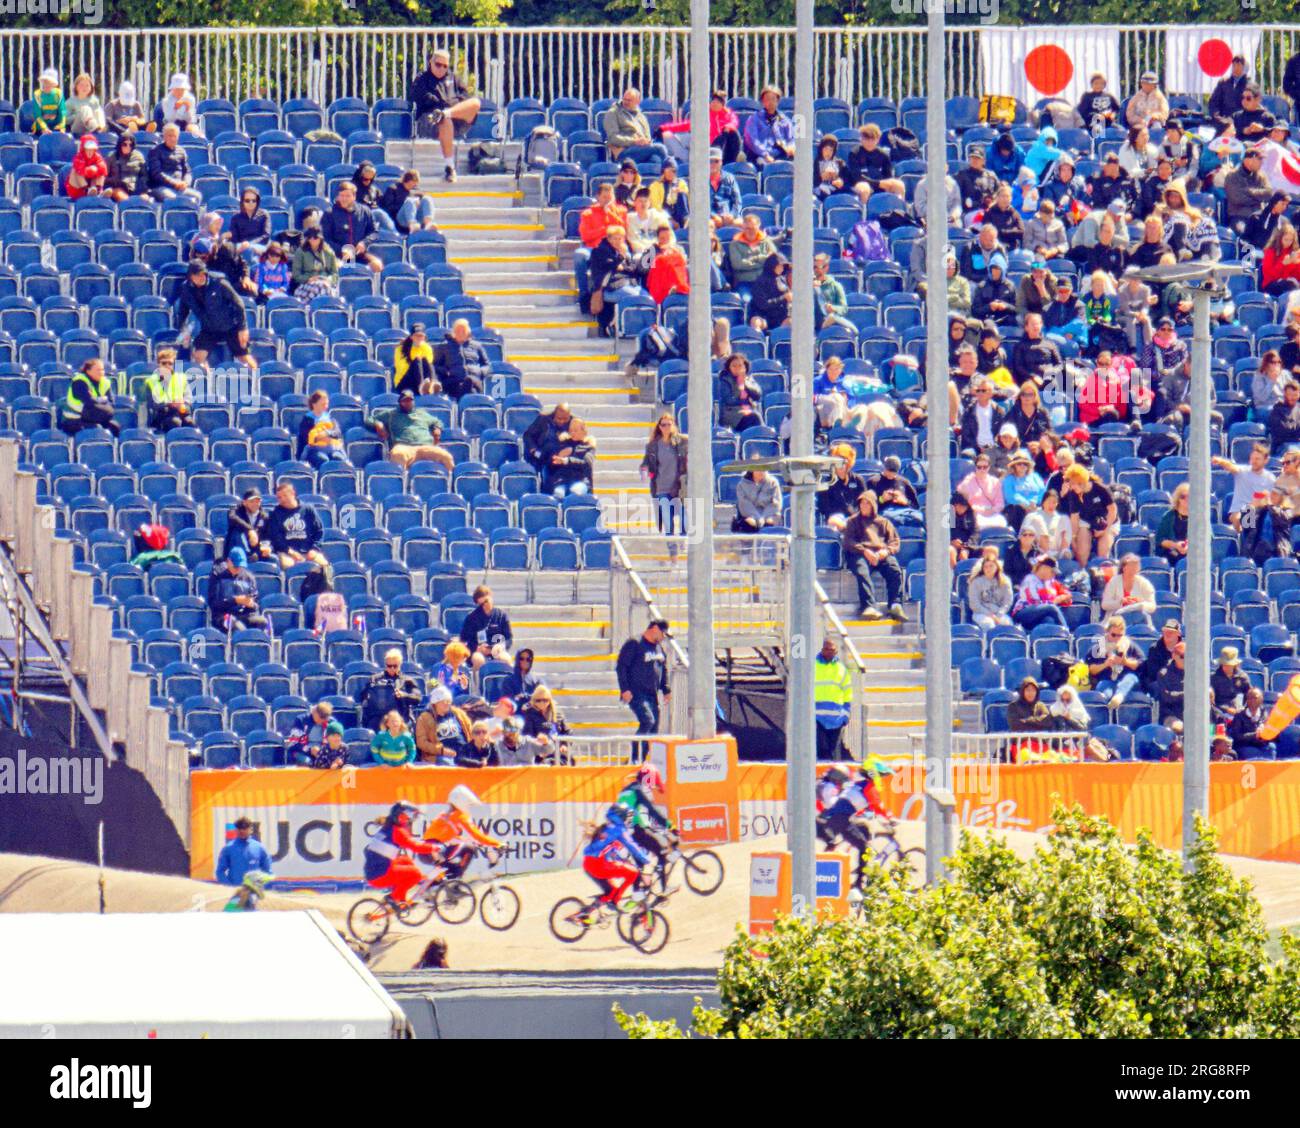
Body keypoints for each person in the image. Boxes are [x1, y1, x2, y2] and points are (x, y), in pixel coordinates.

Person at [815, 760, 893, 883]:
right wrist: (889, 818)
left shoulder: (857, 784)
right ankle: (858, 883)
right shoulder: (869, 787)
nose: (881, 779)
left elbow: (859, 806)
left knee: (863, 830)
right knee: (864, 848)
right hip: (840, 819)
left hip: (834, 817)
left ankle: (831, 868)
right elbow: (877, 806)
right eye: (881, 776)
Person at [409, 49, 480, 182]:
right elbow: (418, 97)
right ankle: (450, 167)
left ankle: (446, 113)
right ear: (431, 62)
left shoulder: (454, 78)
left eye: (445, 66)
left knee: (475, 103)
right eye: (438, 64)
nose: (441, 68)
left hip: (454, 117)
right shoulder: (422, 78)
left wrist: (450, 108)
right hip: (430, 121)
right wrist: (441, 104)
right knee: (444, 119)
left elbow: (465, 96)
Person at [175, 259, 254, 371]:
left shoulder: (219, 283)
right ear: (191, 276)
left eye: (203, 274)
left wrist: (243, 328)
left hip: (230, 326)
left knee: (245, 358)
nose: (202, 277)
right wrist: (183, 330)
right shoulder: (186, 289)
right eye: (198, 275)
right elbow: (183, 311)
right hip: (209, 329)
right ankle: (208, 382)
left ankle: (257, 381)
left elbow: (238, 303)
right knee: (198, 357)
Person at [581, 805, 654, 917]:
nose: (628, 819)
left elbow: (609, 850)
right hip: (599, 865)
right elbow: (632, 846)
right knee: (633, 873)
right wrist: (646, 860)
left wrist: (621, 861)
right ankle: (615, 901)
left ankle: (584, 915)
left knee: (612, 890)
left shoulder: (605, 827)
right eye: (627, 816)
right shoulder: (619, 829)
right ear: (621, 816)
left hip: (588, 864)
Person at [843, 491, 904, 621]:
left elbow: (894, 541)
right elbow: (849, 541)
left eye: (867, 503)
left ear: (873, 505)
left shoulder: (884, 522)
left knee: (894, 570)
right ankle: (868, 606)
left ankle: (895, 604)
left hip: (881, 553)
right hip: (861, 553)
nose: (864, 506)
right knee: (862, 571)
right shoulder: (852, 521)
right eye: (862, 503)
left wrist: (885, 552)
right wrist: (864, 551)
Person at [363, 802, 436, 907]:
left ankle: (401, 898)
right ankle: (393, 897)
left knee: (406, 860)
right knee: (416, 875)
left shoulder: (387, 827)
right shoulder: (398, 831)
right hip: (379, 876)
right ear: (400, 816)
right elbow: (416, 847)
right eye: (408, 815)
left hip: (373, 871)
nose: (409, 819)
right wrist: (434, 847)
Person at [365, 388, 453, 471]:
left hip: (425, 446)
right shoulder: (391, 414)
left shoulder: (422, 413)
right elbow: (369, 419)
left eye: (410, 400)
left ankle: (450, 485)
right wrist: (378, 424)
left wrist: (437, 428)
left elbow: (437, 421)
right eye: (405, 401)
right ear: (400, 402)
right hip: (404, 447)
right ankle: (399, 484)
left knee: (446, 456)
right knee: (398, 454)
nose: (408, 403)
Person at [616, 619, 672, 748]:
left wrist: (666, 689)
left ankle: (644, 760)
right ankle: (636, 756)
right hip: (636, 693)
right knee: (648, 721)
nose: (664, 637)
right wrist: (624, 689)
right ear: (655, 628)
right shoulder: (634, 643)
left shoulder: (658, 648)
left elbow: (663, 668)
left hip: (652, 694)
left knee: (653, 730)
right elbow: (621, 667)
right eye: (663, 633)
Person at [423, 786, 504, 876]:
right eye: (469, 804)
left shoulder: (445, 814)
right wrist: (498, 844)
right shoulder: (459, 816)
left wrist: (466, 839)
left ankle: (444, 882)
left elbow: (445, 837)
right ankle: (455, 878)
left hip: (426, 851)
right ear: (462, 802)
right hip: (436, 850)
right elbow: (477, 835)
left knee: (447, 873)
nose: (469, 808)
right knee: (469, 848)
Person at [660, 89, 741, 165]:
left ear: (723, 105)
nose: (715, 103)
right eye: (713, 101)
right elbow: (687, 125)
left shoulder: (728, 114)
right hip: (700, 141)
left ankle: (690, 161)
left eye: (718, 102)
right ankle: (687, 160)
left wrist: (727, 128)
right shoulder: (705, 113)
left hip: (716, 147)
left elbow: (734, 122)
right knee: (667, 136)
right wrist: (664, 128)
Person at [641, 412, 688, 536]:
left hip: (680, 488)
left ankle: (685, 548)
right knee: (668, 525)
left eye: (669, 424)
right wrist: (644, 471)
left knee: (684, 524)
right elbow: (646, 463)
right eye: (663, 425)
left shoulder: (681, 442)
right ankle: (673, 554)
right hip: (662, 489)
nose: (666, 427)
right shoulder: (653, 446)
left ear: (673, 425)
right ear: (659, 427)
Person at [321, 181, 382, 274]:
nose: (344, 199)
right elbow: (325, 238)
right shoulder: (329, 213)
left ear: (354, 197)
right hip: (338, 254)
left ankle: (365, 283)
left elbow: (374, 232)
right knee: (349, 265)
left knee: (377, 265)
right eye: (342, 195)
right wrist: (341, 250)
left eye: (347, 196)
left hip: (359, 254)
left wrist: (364, 243)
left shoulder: (365, 211)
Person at [1062, 463, 1117, 564]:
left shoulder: (1101, 489)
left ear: (1081, 481)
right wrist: (1073, 537)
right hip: (1086, 521)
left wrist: (1104, 530)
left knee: (1103, 553)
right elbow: (1074, 518)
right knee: (1081, 552)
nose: (1072, 487)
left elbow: (1112, 511)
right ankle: (1083, 573)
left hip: (1107, 521)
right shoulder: (1073, 494)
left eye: (1073, 483)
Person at [1213, 442, 1276, 530]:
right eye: (1252, 458)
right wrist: (1220, 461)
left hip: (1260, 513)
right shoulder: (1243, 471)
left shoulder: (1270, 478)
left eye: (1257, 459)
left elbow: (1271, 500)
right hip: (1240, 511)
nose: (1253, 461)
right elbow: (1231, 467)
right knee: (1247, 514)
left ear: (1265, 460)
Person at [265, 480, 326, 569]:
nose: (282, 499)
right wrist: (291, 552)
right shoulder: (276, 514)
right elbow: (276, 539)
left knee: (324, 565)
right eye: (279, 497)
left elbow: (319, 531)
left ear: (293, 493)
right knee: (288, 566)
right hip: (287, 552)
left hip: (308, 551)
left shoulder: (308, 509)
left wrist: (314, 549)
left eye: (285, 496)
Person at [1086, 616, 1143, 709]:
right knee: (1103, 691)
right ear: (1107, 632)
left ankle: (1119, 696)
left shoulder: (1129, 645)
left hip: (1127, 682)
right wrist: (1105, 664)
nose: (1117, 638)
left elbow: (1141, 664)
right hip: (1107, 681)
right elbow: (1091, 669)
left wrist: (1125, 662)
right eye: (1113, 635)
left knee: (1131, 678)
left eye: (1120, 635)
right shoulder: (1099, 647)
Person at [360, 649, 424, 730]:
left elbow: (418, 698)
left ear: (400, 665)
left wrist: (404, 695)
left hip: (400, 719)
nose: (392, 669)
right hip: (378, 721)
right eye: (389, 666)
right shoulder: (374, 679)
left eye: (395, 666)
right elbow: (363, 697)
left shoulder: (407, 680)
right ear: (385, 665)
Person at [812, 637, 853, 761]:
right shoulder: (813, 666)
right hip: (817, 717)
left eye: (832, 650)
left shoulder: (841, 669)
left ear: (836, 651)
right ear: (822, 650)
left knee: (834, 754)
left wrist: (845, 716)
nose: (829, 652)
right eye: (826, 649)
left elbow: (848, 694)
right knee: (819, 753)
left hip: (836, 719)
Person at [602, 87, 667, 165]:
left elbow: (648, 137)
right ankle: (670, 174)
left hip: (642, 150)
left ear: (637, 101)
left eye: (629, 100)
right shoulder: (613, 113)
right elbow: (613, 138)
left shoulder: (641, 116)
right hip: (624, 152)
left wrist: (645, 141)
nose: (625, 102)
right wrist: (634, 141)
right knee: (660, 148)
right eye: (625, 99)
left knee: (656, 160)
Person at [207, 548, 266, 631]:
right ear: (228, 562)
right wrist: (235, 600)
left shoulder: (249, 577)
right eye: (235, 566)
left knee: (262, 622)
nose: (238, 569)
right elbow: (213, 604)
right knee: (237, 626)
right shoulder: (218, 576)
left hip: (244, 615)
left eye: (240, 567)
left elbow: (256, 604)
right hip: (223, 616)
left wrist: (251, 604)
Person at [432, 318, 491, 400]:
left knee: (470, 383)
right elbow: (434, 366)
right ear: (454, 333)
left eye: (463, 331)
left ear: (468, 332)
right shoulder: (444, 347)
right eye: (458, 331)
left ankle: (466, 394)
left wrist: (481, 372)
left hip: (474, 380)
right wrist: (446, 371)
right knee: (469, 391)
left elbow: (487, 365)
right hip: (453, 381)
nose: (461, 333)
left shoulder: (477, 346)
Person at [60, 357, 119, 437]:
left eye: (102, 370)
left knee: (115, 426)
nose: (101, 373)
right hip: (74, 419)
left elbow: (111, 403)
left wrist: (97, 400)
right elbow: (88, 402)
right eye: (98, 370)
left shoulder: (105, 382)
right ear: (88, 371)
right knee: (96, 430)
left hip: (94, 416)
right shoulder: (79, 381)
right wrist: (103, 400)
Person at [459, 584, 513, 670]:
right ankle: (478, 683)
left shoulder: (501, 616)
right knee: (478, 660)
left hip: (497, 650)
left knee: (506, 659)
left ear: (491, 597)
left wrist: (502, 646)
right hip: (478, 651)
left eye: (486, 601)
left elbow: (509, 638)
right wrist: (475, 648)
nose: (484, 606)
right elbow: (464, 640)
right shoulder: (472, 618)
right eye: (481, 604)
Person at [1012, 555, 1072, 630]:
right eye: (1052, 572)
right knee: (1051, 607)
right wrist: (1056, 600)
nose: (1054, 575)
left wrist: (1063, 598)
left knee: (1049, 621)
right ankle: (1067, 633)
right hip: (1023, 613)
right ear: (1044, 568)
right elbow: (1037, 603)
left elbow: (1067, 596)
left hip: (1037, 616)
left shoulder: (1049, 582)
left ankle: (1053, 639)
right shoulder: (1030, 580)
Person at [415, 686, 472, 764]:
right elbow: (421, 743)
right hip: (440, 756)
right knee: (446, 762)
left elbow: (471, 731)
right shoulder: (424, 718)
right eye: (444, 701)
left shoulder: (458, 713)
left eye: (449, 701)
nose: (448, 704)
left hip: (464, 752)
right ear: (435, 703)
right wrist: (441, 750)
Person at [541, 416, 595, 497]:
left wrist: (567, 460)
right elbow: (548, 465)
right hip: (562, 481)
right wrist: (559, 456)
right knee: (558, 494)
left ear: (584, 432)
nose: (572, 433)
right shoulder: (562, 444)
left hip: (580, 480)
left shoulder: (588, 447)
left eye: (575, 430)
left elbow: (586, 464)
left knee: (575, 492)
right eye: (571, 430)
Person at [145, 122, 200, 202]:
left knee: (197, 196)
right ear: (164, 137)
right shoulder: (155, 151)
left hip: (179, 187)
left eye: (174, 136)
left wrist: (185, 183)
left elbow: (187, 171)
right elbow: (156, 173)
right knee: (173, 199)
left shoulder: (181, 151)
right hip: (161, 187)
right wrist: (175, 183)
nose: (172, 139)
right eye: (170, 136)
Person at [743, 85, 795, 167]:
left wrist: (791, 148)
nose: (770, 102)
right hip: (760, 156)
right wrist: (765, 154)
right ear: (763, 101)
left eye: (773, 99)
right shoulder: (754, 119)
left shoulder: (785, 120)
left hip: (781, 156)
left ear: (778, 101)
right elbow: (752, 140)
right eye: (767, 99)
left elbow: (791, 139)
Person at [141, 347, 192, 432]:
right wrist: (170, 403)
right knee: (174, 422)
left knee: (191, 424)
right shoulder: (151, 381)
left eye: (170, 363)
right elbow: (152, 404)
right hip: (162, 414)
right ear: (158, 364)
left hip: (180, 412)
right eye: (164, 363)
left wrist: (182, 405)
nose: (167, 366)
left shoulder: (182, 378)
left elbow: (189, 400)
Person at [1239, 485, 1293, 564]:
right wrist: (1252, 507)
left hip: (1278, 554)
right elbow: (1246, 526)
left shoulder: (1286, 511)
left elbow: (1282, 520)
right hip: (1254, 553)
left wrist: (1269, 504)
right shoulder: (1256, 510)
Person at [215, 816, 273, 886]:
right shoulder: (228, 848)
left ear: (251, 829)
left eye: (245, 828)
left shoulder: (259, 848)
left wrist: (259, 887)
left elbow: (268, 871)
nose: (242, 831)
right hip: (235, 892)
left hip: (254, 892)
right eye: (239, 828)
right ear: (236, 830)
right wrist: (229, 887)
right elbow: (220, 871)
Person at [378, 169, 438, 234]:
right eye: (413, 182)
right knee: (410, 201)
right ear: (408, 181)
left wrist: (418, 204)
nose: (415, 184)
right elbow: (388, 207)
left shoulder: (416, 190)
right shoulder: (393, 189)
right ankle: (412, 225)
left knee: (427, 198)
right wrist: (405, 205)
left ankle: (428, 224)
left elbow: (424, 202)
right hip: (401, 219)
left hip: (417, 218)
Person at [296, 390, 346, 468]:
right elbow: (305, 438)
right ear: (314, 404)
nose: (326, 407)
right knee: (323, 460)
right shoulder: (307, 420)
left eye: (326, 404)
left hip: (330, 448)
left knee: (339, 459)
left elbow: (337, 433)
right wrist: (320, 438)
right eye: (323, 404)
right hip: (313, 450)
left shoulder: (330, 418)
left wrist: (327, 433)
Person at [956, 453, 1007, 529]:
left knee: (1002, 524)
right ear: (975, 467)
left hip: (992, 512)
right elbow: (959, 491)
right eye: (979, 467)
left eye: (985, 467)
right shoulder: (969, 480)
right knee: (980, 525)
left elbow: (1000, 503)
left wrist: (992, 510)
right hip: (975, 513)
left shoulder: (995, 482)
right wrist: (968, 479)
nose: (982, 470)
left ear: (989, 467)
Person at [717, 351, 764, 432]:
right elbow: (728, 400)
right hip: (731, 414)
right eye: (734, 366)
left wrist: (745, 384)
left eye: (740, 366)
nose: (737, 368)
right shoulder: (725, 380)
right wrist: (743, 402)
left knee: (753, 417)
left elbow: (757, 395)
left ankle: (758, 438)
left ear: (745, 367)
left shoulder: (748, 379)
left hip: (747, 413)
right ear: (729, 368)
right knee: (754, 417)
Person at [968, 553, 1014, 631]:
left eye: (991, 566)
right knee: (988, 625)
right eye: (986, 567)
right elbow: (974, 604)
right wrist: (989, 615)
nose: (988, 569)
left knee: (1008, 625)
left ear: (997, 567)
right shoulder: (976, 582)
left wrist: (999, 614)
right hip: (981, 613)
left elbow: (1008, 601)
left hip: (999, 612)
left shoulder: (1005, 581)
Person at [523, 403, 574, 473]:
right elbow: (528, 435)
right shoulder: (543, 420)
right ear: (554, 415)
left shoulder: (574, 423)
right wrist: (533, 450)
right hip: (541, 455)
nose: (562, 421)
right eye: (559, 418)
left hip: (562, 459)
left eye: (565, 419)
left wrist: (571, 436)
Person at [291, 227, 339, 301]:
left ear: (321, 239)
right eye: (310, 237)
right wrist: (308, 279)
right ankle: (323, 308)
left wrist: (328, 279)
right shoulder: (300, 252)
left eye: (315, 237)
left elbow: (335, 274)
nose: (312, 239)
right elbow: (296, 275)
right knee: (321, 288)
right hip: (306, 285)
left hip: (326, 283)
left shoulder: (329, 253)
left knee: (324, 287)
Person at [1229, 688, 1275, 760]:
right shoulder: (1239, 715)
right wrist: (1254, 735)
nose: (1251, 700)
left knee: (1272, 747)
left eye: (1255, 698)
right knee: (1248, 752)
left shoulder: (1266, 713)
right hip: (1245, 746)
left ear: (1261, 699)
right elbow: (1237, 736)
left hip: (1263, 745)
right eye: (1249, 698)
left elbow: (1273, 733)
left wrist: (1265, 734)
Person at [732, 468, 782, 533]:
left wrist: (764, 518)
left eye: (764, 469)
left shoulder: (773, 482)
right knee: (748, 522)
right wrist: (757, 518)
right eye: (758, 469)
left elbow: (776, 503)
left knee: (773, 520)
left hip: (769, 514)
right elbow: (744, 504)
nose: (761, 472)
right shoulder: (741, 485)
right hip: (750, 515)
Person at [706, 147, 743, 228]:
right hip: (709, 218)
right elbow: (700, 204)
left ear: (721, 162)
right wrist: (713, 216)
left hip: (728, 216)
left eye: (716, 161)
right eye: (710, 161)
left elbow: (737, 201)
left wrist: (732, 215)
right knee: (708, 225)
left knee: (742, 224)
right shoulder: (701, 180)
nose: (713, 164)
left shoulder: (730, 178)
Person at [1156, 483, 1190, 567]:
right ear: (1178, 499)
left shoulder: (1199, 516)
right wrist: (1175, 545)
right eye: (1183, 497)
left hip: (1193, 555)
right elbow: (1160, 540)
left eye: (1189, 496)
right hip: (1171, 554)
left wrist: (1190, 545)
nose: (1186, 499)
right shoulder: (1169, 516)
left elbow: (1208, 537)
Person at [103, 132, 144, 201]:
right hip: (117, 187)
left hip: (135, 187)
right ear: (120, 144)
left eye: (130, 145)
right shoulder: (111, 156)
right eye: (124, 144)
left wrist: (144, 190)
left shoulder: (138, 156)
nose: (128, 147)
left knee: (146, 201)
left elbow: (144, 175)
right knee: (126, 201)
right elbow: (104, 177)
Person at [64, 134, 107, 199]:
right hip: (77, 189)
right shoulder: (79, 157)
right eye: (88, 149)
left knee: (100, 171)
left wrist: (95, 170)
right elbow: (80, 170)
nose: (90, 152)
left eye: (92, 149)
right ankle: (86, 190)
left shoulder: (97, 157)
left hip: (92, 186)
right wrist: (90, 170)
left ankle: (98, 190)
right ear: (83, 149)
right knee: (75, 171)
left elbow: (103, 168)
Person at [1157, 641, 1187, 732]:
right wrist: (1185, 694)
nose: (1186, 660)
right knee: (1178, 728)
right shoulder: (1164, 674)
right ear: (1174, 655)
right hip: (1171, 714)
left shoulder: (1195, 672)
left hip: (1191, 712)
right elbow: (1167, 697)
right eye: (1183, 656)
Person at [1268, 380, 1300, 453]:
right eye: (1290, 394)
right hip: (1282, 446)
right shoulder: (1277, 410)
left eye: (1295, 395)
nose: (1292, 398)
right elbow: (1282, 433)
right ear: (1284, 394)